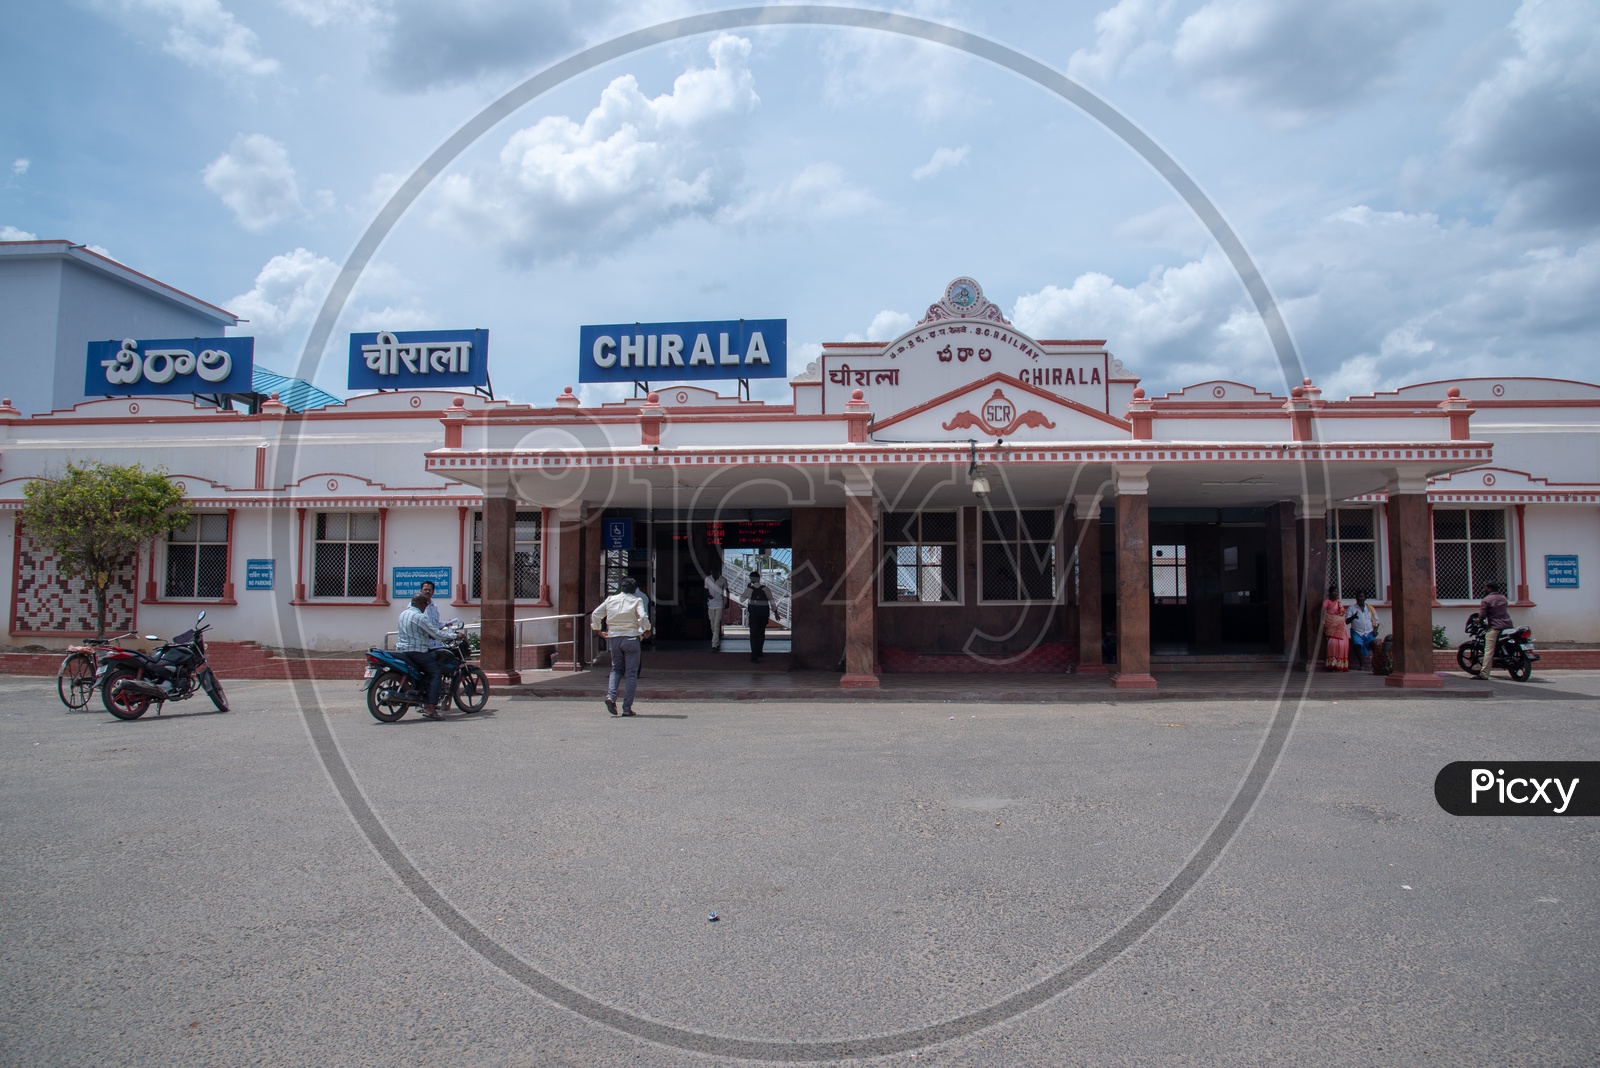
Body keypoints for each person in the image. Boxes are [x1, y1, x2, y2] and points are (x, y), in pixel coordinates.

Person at [591, 577, 652, 715]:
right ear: (634, 589)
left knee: (616, 669)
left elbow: (595, 614)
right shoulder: (637, 600)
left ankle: (611, 696)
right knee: (631, 673)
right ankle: (626, 708)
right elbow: (643, 617)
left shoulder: (610, 600)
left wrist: (598, 630)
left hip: (614, 638)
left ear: (621, 588)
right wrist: (647, 629)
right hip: (631, 638)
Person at [397, 593, 453, 719]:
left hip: (403, 651)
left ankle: (423, 696)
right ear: (421, 604)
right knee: (435, 673)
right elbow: (436, 633)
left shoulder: (403, 614)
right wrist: (454, 636)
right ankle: (430, 707)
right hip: (417, 651)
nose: (425, 608)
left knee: (425, 672)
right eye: (425, 605)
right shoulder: (419, 617)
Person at [1475, 581, 1513, 679]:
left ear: (1490, 589)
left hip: (1495, 627)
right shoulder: (1503, 598)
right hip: (1508, 625)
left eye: (1485, 587)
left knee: (1488, 650)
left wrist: (1478, 620)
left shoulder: (1486, 600)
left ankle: (1484, 674)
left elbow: (1482, 615)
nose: (1484, 589)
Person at [1346, 594, 1379, 669]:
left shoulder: (1370, 609)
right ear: (1356, 598)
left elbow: (1376, 622)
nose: (1360, 598)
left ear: (1365, 598)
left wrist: (1375, 630)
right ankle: (1362, 664)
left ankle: (1376, 663)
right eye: (1359, 597)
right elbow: (1346, 621)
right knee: (1357, 644)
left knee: (1374, 644)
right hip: (1357, 632)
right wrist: (1353, 617)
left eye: (1362, 597)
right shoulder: (1351, 608)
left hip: (1369, 632)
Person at [1321, 583, 1349, 671]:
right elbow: (1321, 612)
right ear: (1329, 593)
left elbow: (1341, 614)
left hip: (1341, 629)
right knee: (1332, 644)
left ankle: (1341, 665)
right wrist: (1322, 622)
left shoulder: (1339, 603)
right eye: (1334, 592)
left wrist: (1339, 620)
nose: (1336, 594)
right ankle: (1331, 665)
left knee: (1343, 644)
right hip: (1331, 627)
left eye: (1337, 592)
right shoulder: (1327, 602)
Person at [746, 572, 771, 663]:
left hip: (753, 615)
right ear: (759, 579)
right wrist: (776, 612)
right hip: (763, 614)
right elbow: (771, 600)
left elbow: (742, 598)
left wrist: (747, 588)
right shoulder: (766, 589)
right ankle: (759, 651)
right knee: (761, 632)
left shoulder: (750, 589)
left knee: (753, 635)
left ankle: (754, 655)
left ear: (751, 579)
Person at [704, 563, 729, 652]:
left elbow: (727, 590)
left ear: (718, 571)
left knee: (717, 623)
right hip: (710, 605)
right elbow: (705, 590)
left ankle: (714, 645)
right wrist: (708, 596)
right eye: (713, 571)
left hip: (719, 604)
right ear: (711, 571)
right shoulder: (707, 579)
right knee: (713, 625)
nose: (714, 572)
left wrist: (727, 602)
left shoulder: (723, 580)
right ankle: (716, 642)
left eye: (716, 571)